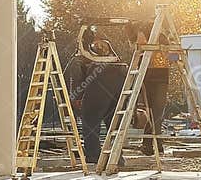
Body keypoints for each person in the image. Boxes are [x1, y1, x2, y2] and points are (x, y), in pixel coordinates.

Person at [70, 33, 127, 165]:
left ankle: (93, 155)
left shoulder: (85, 57)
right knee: (114, 125)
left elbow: (78, 77)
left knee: (90, 123)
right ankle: (117, 157)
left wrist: (76, 96)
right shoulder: (115, 60)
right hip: (116, 93)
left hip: (96, 92)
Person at [126, 21, 169, 157]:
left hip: (159, 79)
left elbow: (173, 57)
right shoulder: (143, 46)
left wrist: (170, 55)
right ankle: (150, 145)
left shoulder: (161, 39)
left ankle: (154, 144)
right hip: (146, 78)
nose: (138, 42)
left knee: (156, 113)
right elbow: (136, 52)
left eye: (141, 37)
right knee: (152, 113)